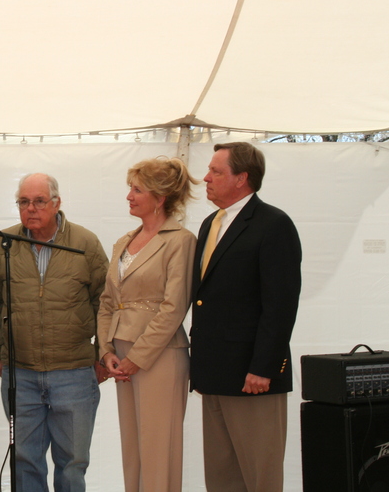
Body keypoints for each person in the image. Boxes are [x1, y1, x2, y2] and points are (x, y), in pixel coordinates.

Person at [0, 173, 109, 492]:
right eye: (23, 202)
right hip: (20, 374)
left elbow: (106, 302)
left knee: (73, 464)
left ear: (56, 203)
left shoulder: (85, 243)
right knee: (25, 460)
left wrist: (101, 353)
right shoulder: (3, 243)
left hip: (74, 373)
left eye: (38, 201)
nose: (30, 209)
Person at [190, 142, 302, 492]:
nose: (205, 178)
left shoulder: (273, 224)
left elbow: (281, 304)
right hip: (215, 374)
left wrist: (264, 367)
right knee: (222, 477)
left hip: (253, 377)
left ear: (242, 178)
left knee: (260, 477)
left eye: (216, 172)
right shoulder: (211, 224)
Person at [96, 157, 198, 492]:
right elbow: (108, 300)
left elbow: (174, 307)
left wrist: (137, 357)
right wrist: (107, 351)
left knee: (158, 451)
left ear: (160, 197)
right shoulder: (123, 241)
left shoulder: (180, 240)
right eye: (130, 188)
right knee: (134, 452)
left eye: (137, 189)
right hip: (122, 353)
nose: (129, 195)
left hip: (159, 355)